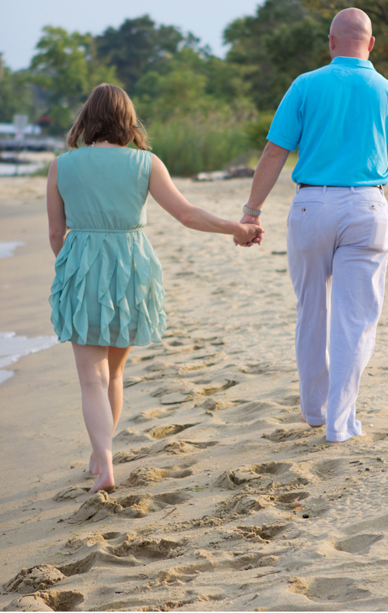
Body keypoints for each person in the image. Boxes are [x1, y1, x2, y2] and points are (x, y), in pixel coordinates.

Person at [47, 83, 264, 493]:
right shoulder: (146, 163)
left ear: (87, 119)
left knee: (90, 378)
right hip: (131, 267)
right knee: (114, 373)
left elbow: (56, 233)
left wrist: (70, 269)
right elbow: (186, 214)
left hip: (82, 267)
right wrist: (237, 228)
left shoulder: (62, 165)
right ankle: (101, 453)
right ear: (128, 120)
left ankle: (104, 462)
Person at [236, 7, 388, 443]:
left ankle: (314, 411)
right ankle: (340, 423)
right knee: (355, 320)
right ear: (371, 44)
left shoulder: (305, 85)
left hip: (311, 205)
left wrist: (252, 211)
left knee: (312, 311)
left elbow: (274, 153)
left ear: (331, 42)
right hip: (367, 208)